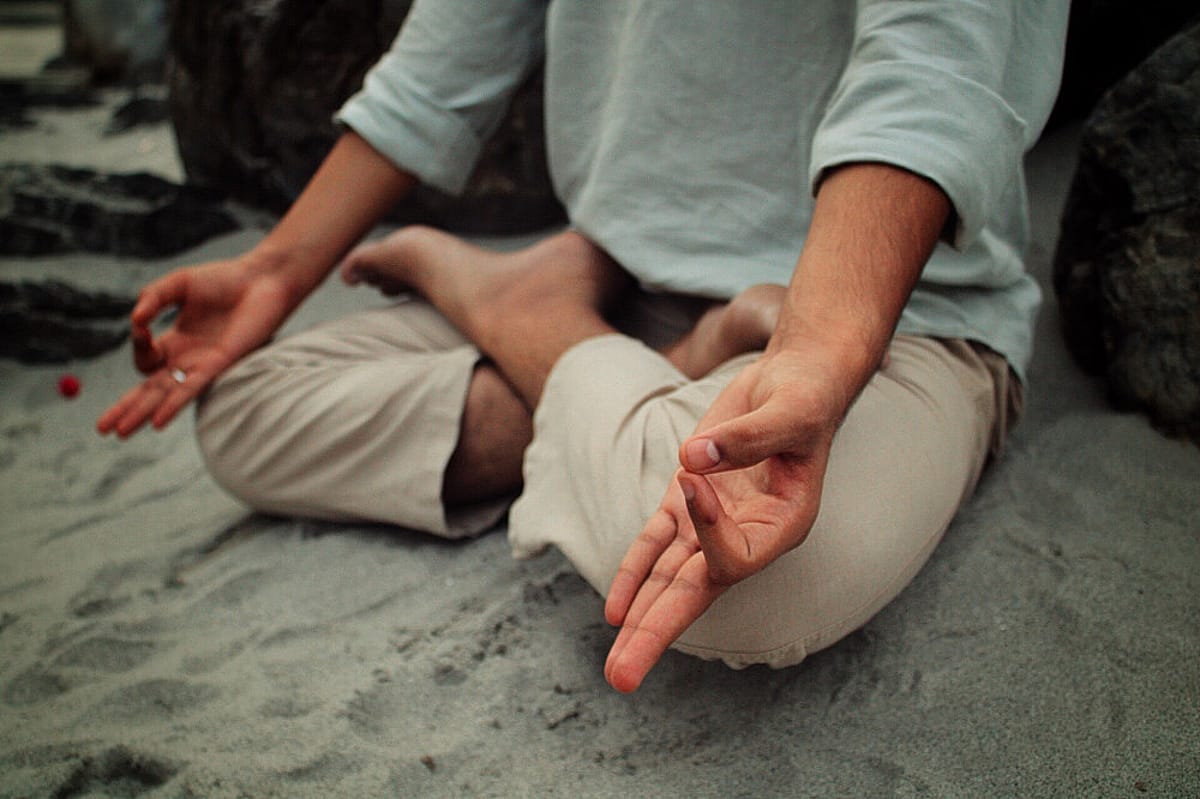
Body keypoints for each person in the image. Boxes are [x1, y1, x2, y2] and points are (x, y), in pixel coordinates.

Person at [97, 2, 1069, 692]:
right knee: (243, 409)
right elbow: (444, 62)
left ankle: (533, 319)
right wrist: (275, 272)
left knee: (754, 586)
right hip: (629, 276)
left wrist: (820, 346)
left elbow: (938, 68)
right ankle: (643, 356)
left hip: (889, 308)